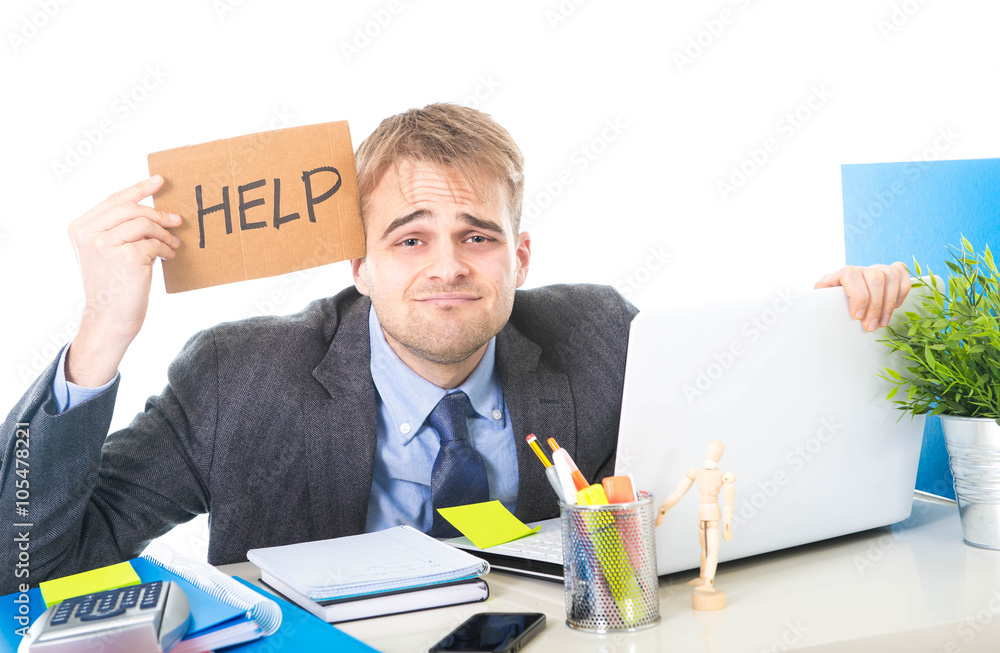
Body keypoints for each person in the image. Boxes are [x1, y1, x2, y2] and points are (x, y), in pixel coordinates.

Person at [0, 104, 912, 594]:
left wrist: (823, 334)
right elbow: (21, 556)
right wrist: (99, 341)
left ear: (519, 257)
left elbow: (725, 472)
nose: (447, 266)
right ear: (357, 260)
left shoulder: (599, 334)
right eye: (409, 238)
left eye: (478, 236)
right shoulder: (235, 377)